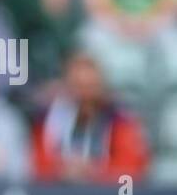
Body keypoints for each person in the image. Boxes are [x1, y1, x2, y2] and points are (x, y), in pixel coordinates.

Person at [31, 51, 151, 183]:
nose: (84, 96)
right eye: (77, 86)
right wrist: (61, 170)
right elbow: (37, 166)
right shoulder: (48, 121)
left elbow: (132, 170)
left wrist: (94, 171)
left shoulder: (121, 122)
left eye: (89, 87)